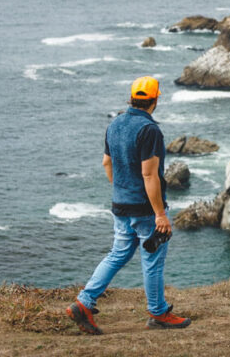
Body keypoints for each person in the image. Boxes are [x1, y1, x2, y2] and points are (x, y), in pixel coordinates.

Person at [66, 76, 191, 334]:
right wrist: (160, 214)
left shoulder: (115, 124)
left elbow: (106, 163)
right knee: (152, 260)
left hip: (120, 205)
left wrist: (121, 189)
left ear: (131, 97)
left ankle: (83, 302)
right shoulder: (150, 130)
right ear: (156, 99)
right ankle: (158, 314)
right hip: (145, 209)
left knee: (117, 254)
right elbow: (149, 175)